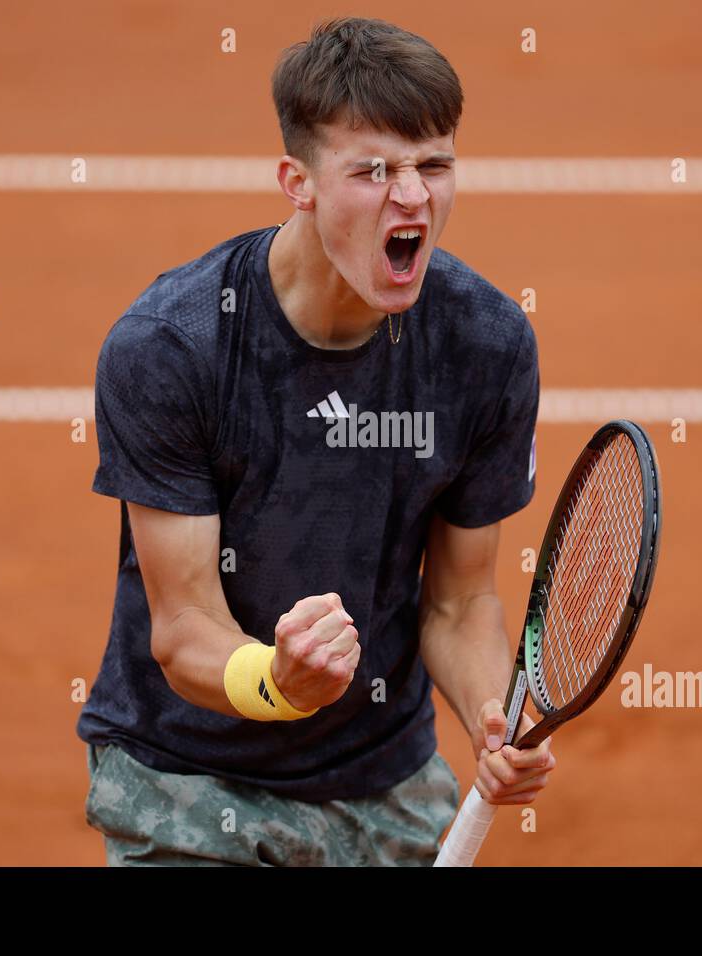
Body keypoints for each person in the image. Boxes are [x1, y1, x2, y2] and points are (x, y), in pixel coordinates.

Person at [78, 16, 554, 866]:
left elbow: (459, 603)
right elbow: (184, 626)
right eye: (372, 170)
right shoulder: (173, 347)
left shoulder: (486, 345)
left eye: (433, 165)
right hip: (189, 786)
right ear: (296, 181)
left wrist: (492, 713)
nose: (412, 197)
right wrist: (278, 683)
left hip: (383, 783)